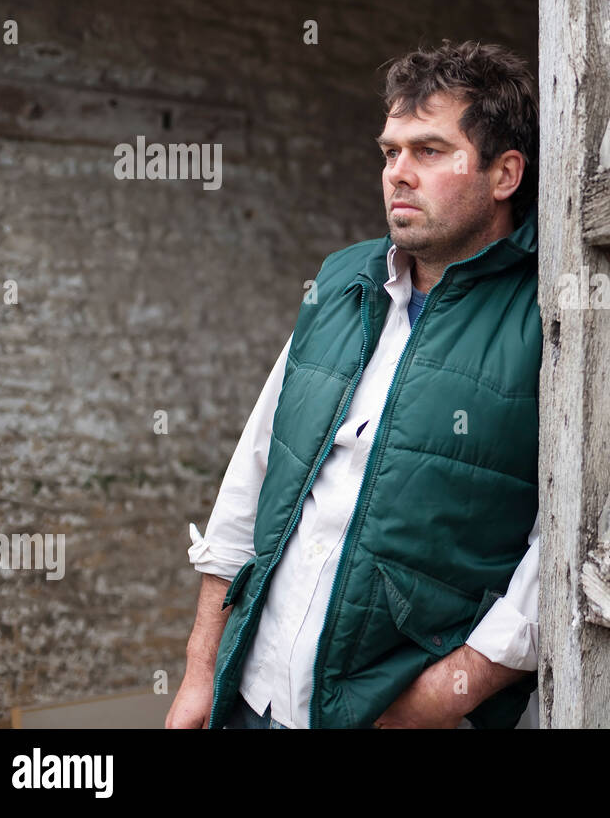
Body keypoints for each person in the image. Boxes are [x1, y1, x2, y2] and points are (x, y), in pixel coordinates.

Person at [164, 40, 542, 729]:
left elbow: (564, 542)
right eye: (390, 152)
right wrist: (200, 672)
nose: (399, 173)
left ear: (504, 173)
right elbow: (252, 476)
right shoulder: (342, 282)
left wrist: (444, 695)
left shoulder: (548, 314)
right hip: (255, 696)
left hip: (389, 711)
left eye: (429, 151)